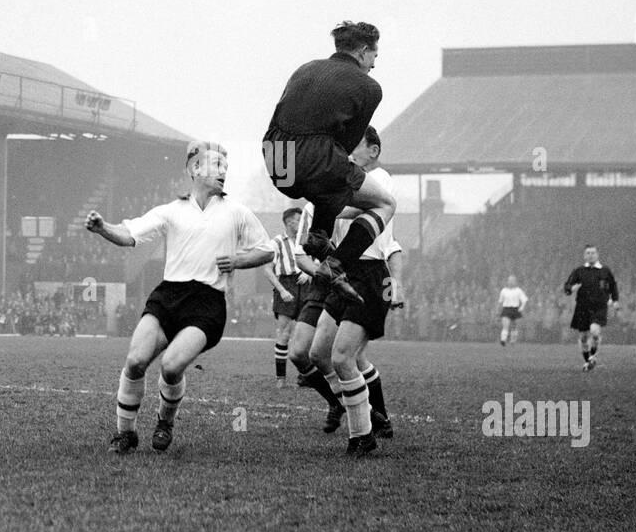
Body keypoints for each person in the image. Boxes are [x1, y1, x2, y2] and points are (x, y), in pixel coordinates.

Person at [85, 140, 273, 454]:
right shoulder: (172, 211)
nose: (223, 171)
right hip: (169, 295)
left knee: (171, 367)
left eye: (225, 166)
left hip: (207, 303)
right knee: (135, 361)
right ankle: (125, 434)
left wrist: (239, 260)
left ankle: (165, 422)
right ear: (194, 169)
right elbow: (129, 234)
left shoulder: (237, 212)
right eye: (215, 165)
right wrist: (103, 228)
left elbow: (266, 249)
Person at [263, 21, 397, 304]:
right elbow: (347, 145)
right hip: (313, 160)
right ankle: (334, 265)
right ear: (362, 51)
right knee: (384, 203)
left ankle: (318, 237)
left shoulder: (305, 68)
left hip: (276, 159)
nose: (373, 64)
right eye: (374, 56)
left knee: (329, 177)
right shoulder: (369, 87)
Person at [292, 127, 403, 456]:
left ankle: (362, 435)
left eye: (353, 147)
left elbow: (362, 210)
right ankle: (370, 417)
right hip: (342, 275)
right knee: (317, 353)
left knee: (344, 356)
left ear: (374, 151)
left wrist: (322, 205)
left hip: (369, 275)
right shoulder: (344, 183)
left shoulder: (380, 179)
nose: (348, 154)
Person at [263, 207, 311, 388]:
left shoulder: (306, 240)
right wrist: (282, 290)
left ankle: (305, 377)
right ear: (290, 222)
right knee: (284, 332)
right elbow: (267, 269)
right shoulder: (276, 242)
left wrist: (310, 273)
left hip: (305, 284)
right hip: (286, 283)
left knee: (305, 333)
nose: (301, 223)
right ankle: (280, 378)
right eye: (298, 220)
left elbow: (318, 260)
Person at [563, 245, 619, 371]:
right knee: (583, 337)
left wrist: (615, 300)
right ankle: (589, 361)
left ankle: (593, 356)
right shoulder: (579, 271)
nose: (590, 255)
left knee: (594, 331)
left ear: (597, 255)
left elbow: (613, 286)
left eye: (593, 253)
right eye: (588, 253)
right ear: (584, 256)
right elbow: (567, 285)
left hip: (599, 306)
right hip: (582, 307)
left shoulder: (605, 271)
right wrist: (571, 289)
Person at [497, 275, 529, 346]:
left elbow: (524, 300)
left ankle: (512, 341)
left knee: (514, 327)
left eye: (512, 280)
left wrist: (521, 308)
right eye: (509, 280)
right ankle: (503, 340)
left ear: (515, 282)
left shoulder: (518, 290)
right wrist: (498, 310)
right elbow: (500, 301)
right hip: (506, 309)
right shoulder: (503, 290)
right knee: (506, 325)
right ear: (507, 281)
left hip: (515, 309)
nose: (511, 282)